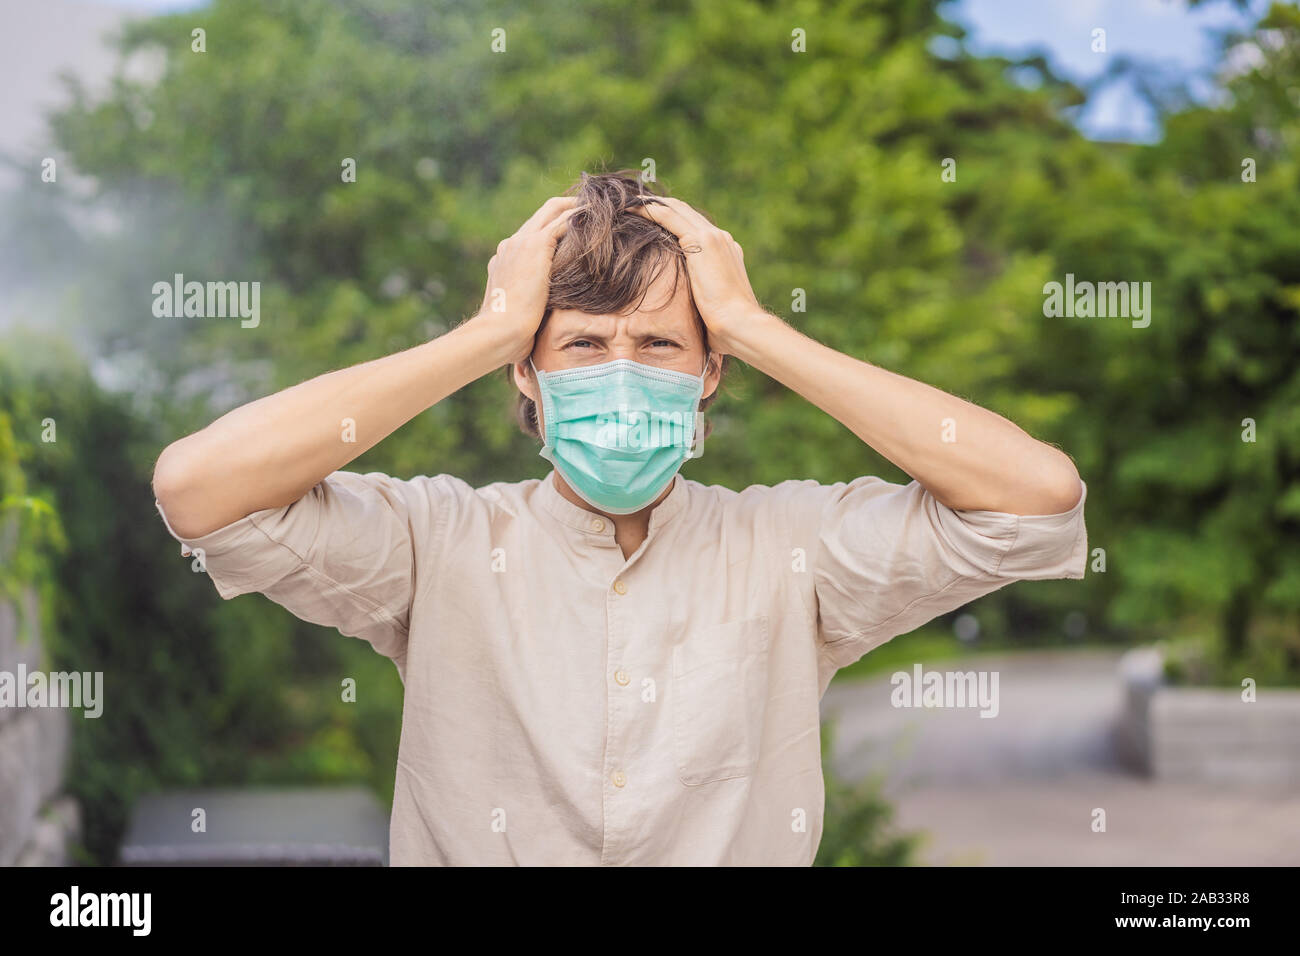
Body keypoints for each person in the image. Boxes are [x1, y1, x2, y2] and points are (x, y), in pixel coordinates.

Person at [153, 171, 1087, 865]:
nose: (622, 371)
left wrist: (757, 326)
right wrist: (484, 330)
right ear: (530, 370)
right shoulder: (435, 542)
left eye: (659, 343)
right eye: (584, 345)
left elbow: (1034, 497)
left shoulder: (793, 546)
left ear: (711, 372)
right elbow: (200, 487)